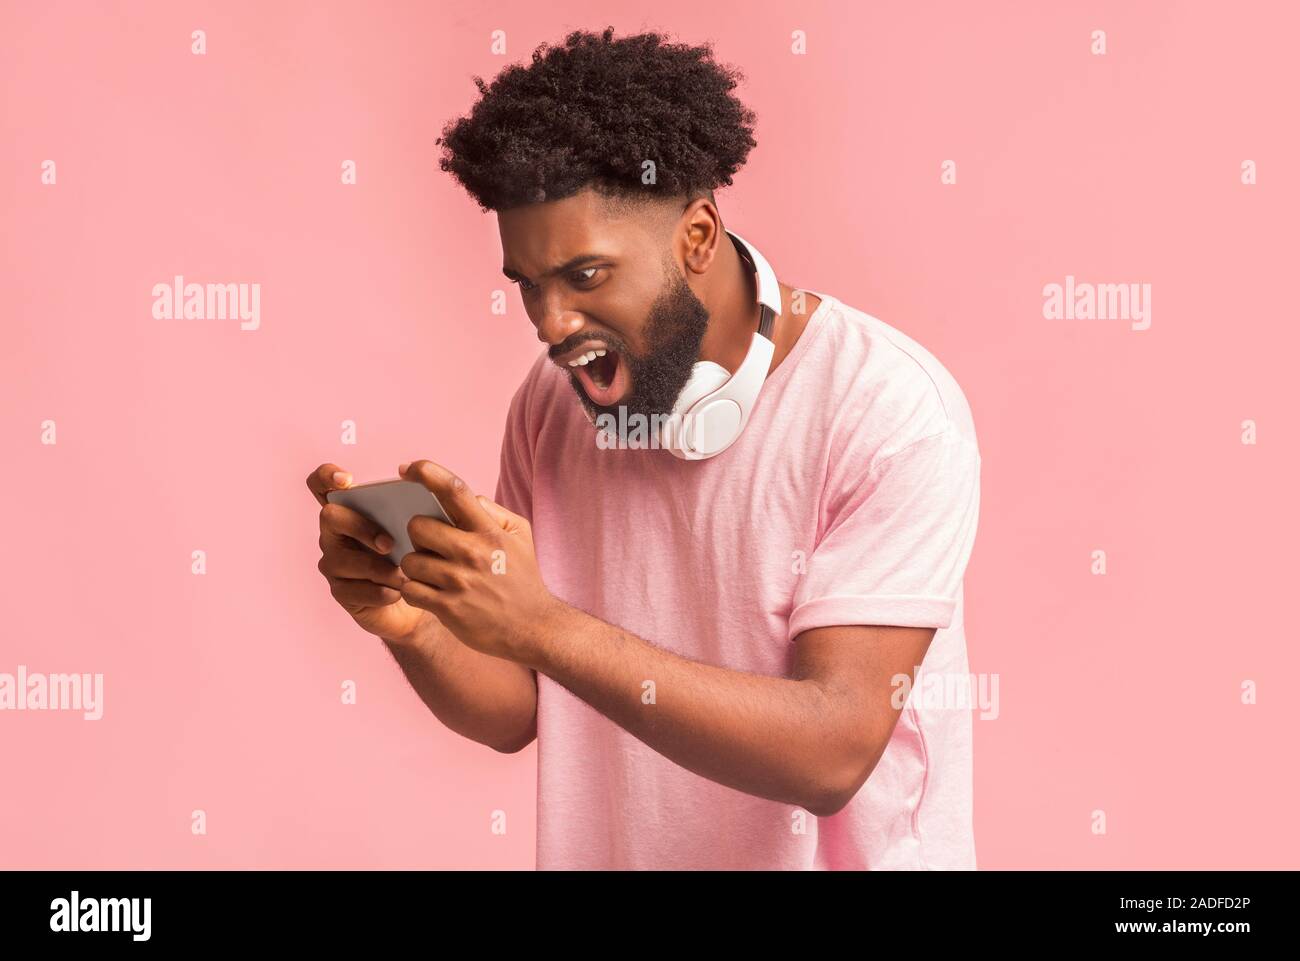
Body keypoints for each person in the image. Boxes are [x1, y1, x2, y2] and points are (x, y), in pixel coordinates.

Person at [307, 26, 981, 870]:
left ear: (696, 238)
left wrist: (545, 627)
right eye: (529, 285)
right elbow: (519, 707)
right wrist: (416, 625)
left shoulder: (887, 409)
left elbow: (833, 751)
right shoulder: (551, 408)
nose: (551, 324)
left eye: (586, 276)